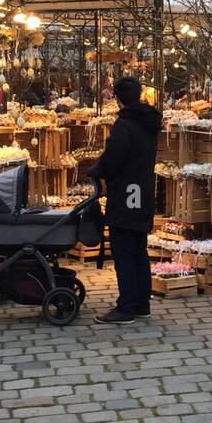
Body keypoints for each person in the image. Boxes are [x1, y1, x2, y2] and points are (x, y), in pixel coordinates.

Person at [87, 76, 159, 325]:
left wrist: (98, 169)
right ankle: (141, 303)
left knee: (124, 252)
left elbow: (114, 159)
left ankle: (126, 306)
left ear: (118, 98)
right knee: (138, 250)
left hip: (126, 195)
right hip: (143, 192)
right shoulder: (148, 123)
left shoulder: (124, 126)